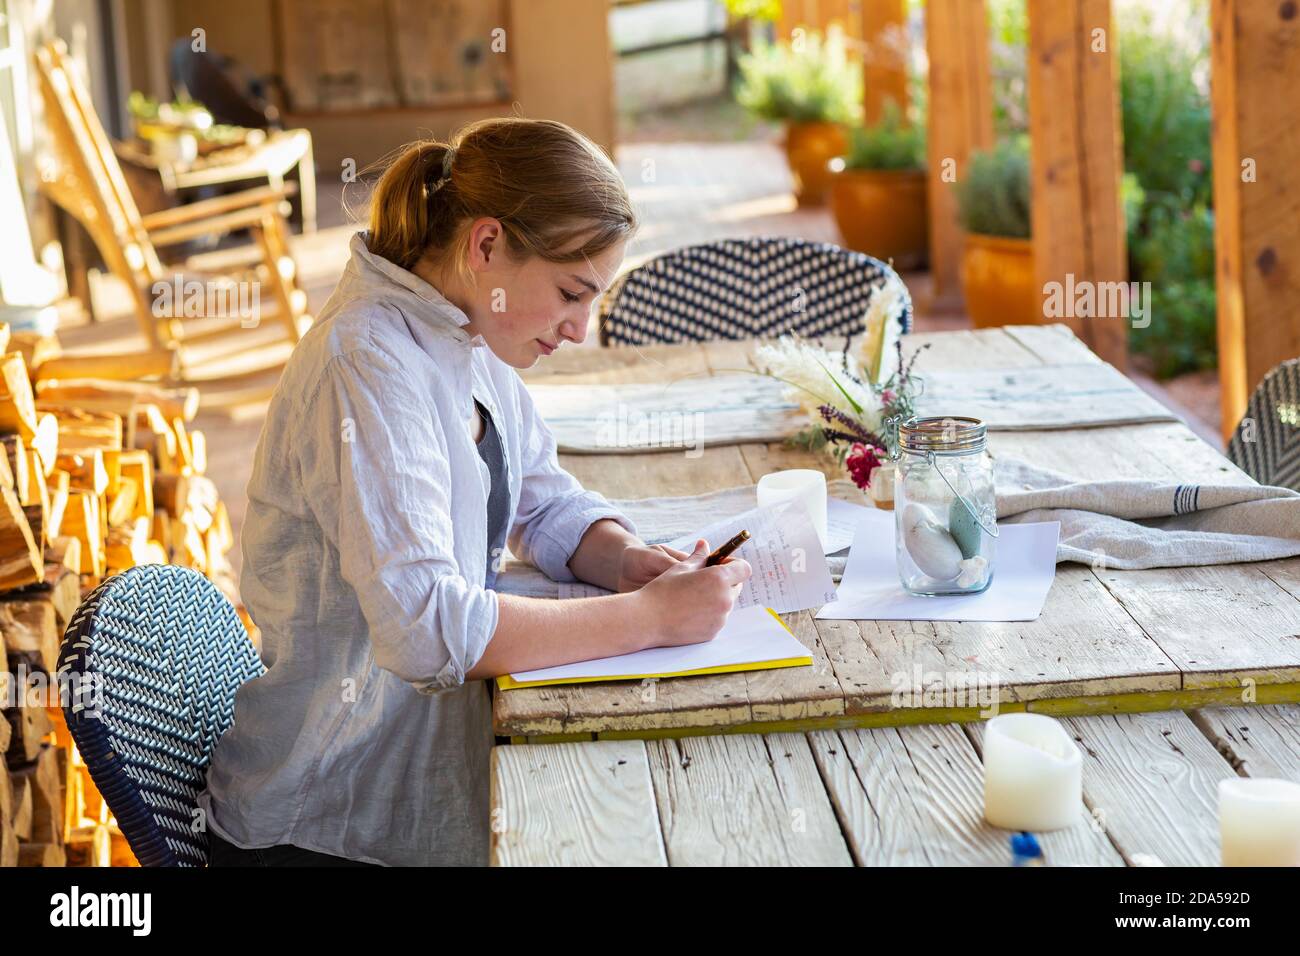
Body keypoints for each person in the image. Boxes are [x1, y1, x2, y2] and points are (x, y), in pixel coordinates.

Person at [199, 117, 752, 866]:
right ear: (486, 244)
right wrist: (648, 618)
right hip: (329, 814)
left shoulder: (465, 327)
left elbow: (542, 500)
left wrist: (625, 561)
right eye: (570, 292)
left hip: (414, 766)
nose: (581, 328)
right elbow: (426, 628)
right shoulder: (366, 362)